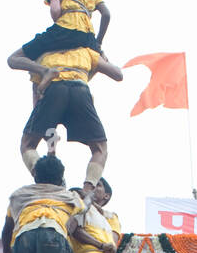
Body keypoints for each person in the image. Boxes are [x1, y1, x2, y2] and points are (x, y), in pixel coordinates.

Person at [7, 46, 123, 191]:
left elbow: (36, 93)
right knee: (100, 149)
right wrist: (104, 59)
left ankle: (43, 179)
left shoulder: (42, 54)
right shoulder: (87, 52)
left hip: (53, 90)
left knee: (27, 144)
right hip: (80, 92)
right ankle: (87, 190)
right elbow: (118, 75)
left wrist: (41, 125)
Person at [21, 0, 109, 60]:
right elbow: (106, 14)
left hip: (65, 28)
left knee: (14, 58)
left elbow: (55, 11)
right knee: (105, 64)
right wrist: (98, 42)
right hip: (88, 36)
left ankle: (44, 71)